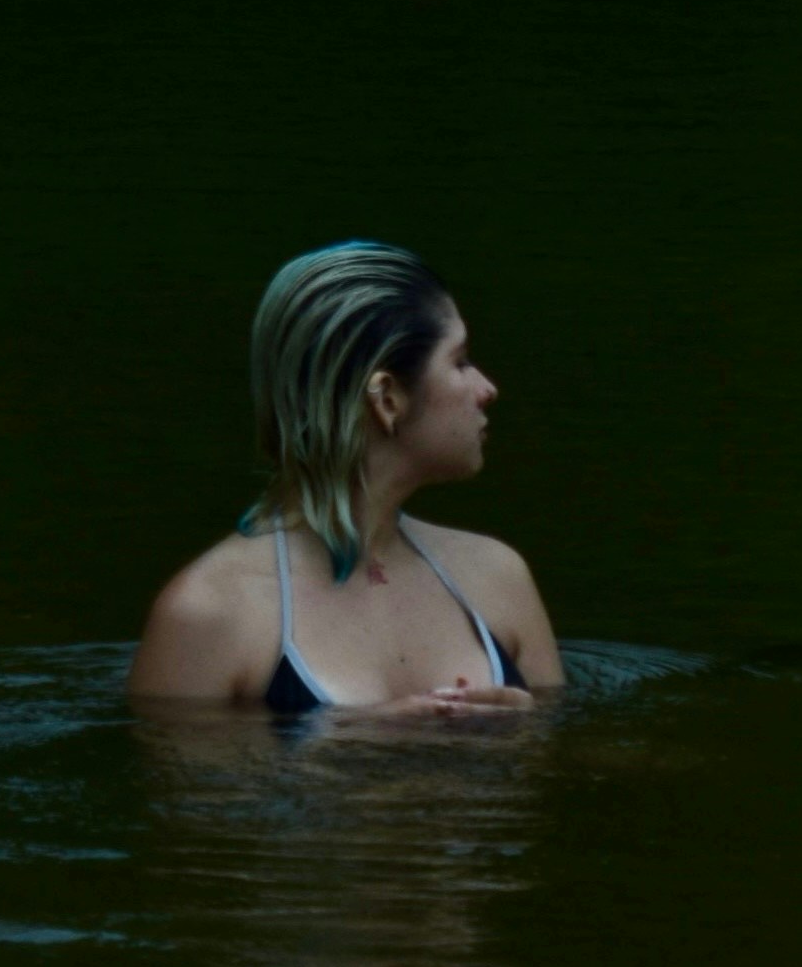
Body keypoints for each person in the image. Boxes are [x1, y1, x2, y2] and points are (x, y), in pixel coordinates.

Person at [130, 242, 564, 716]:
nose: (487, 389)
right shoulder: (210, 613)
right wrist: (354, 749)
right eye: (459, 362)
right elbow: (181, 788)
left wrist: (527, 737)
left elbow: (574, 765)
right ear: (387, 399)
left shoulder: (497, 578)